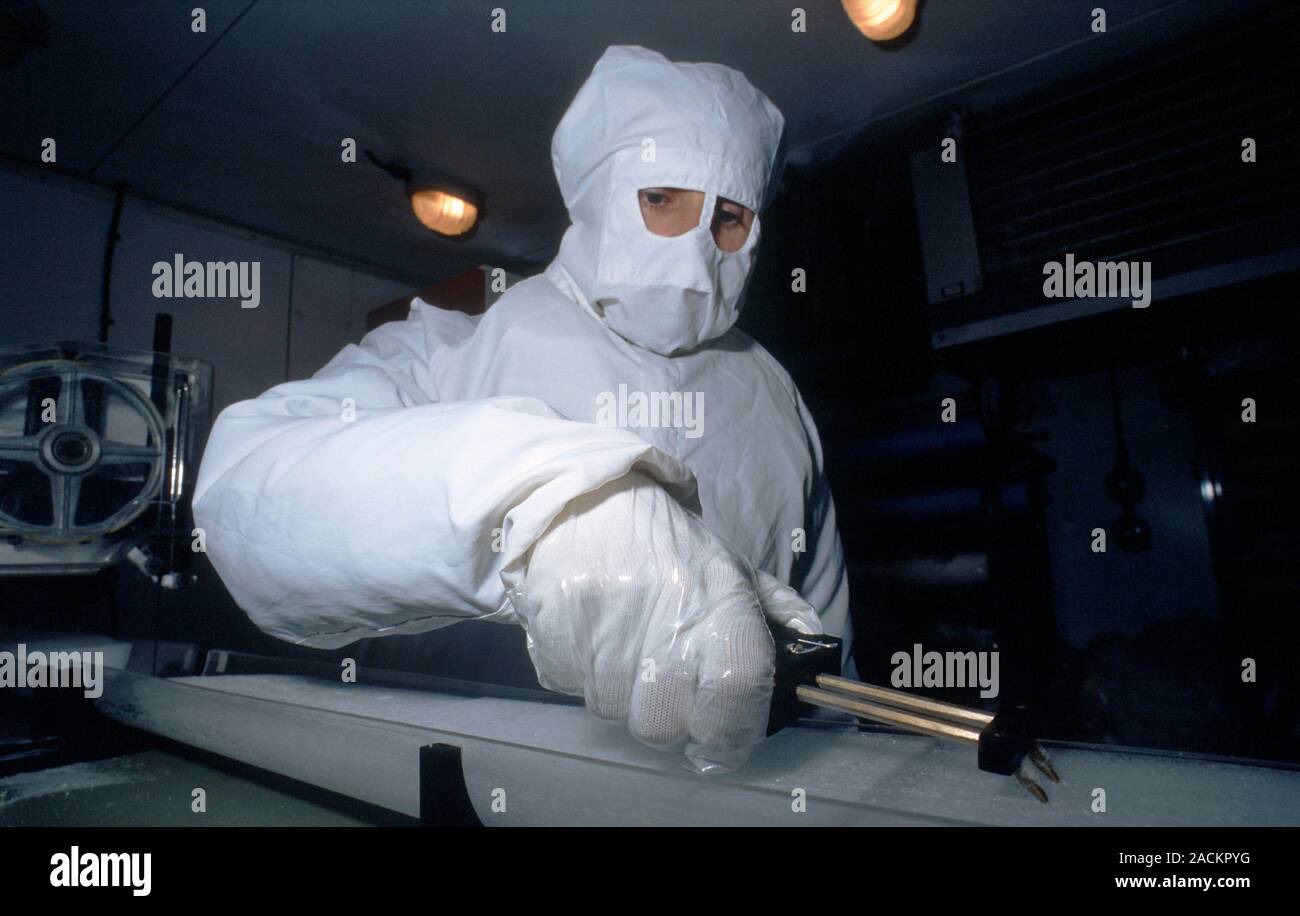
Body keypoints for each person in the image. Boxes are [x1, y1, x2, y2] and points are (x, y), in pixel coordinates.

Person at [192, 45, 853, 774]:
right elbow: (244, 490)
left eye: (729, 218)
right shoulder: (453, 353)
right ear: (599, 193)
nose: (695, 256)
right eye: (661, 199)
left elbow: (822, 626)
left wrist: (833, 763)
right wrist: (551, 511)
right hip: (501, 787)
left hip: (730, 792)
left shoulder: (775, 397)